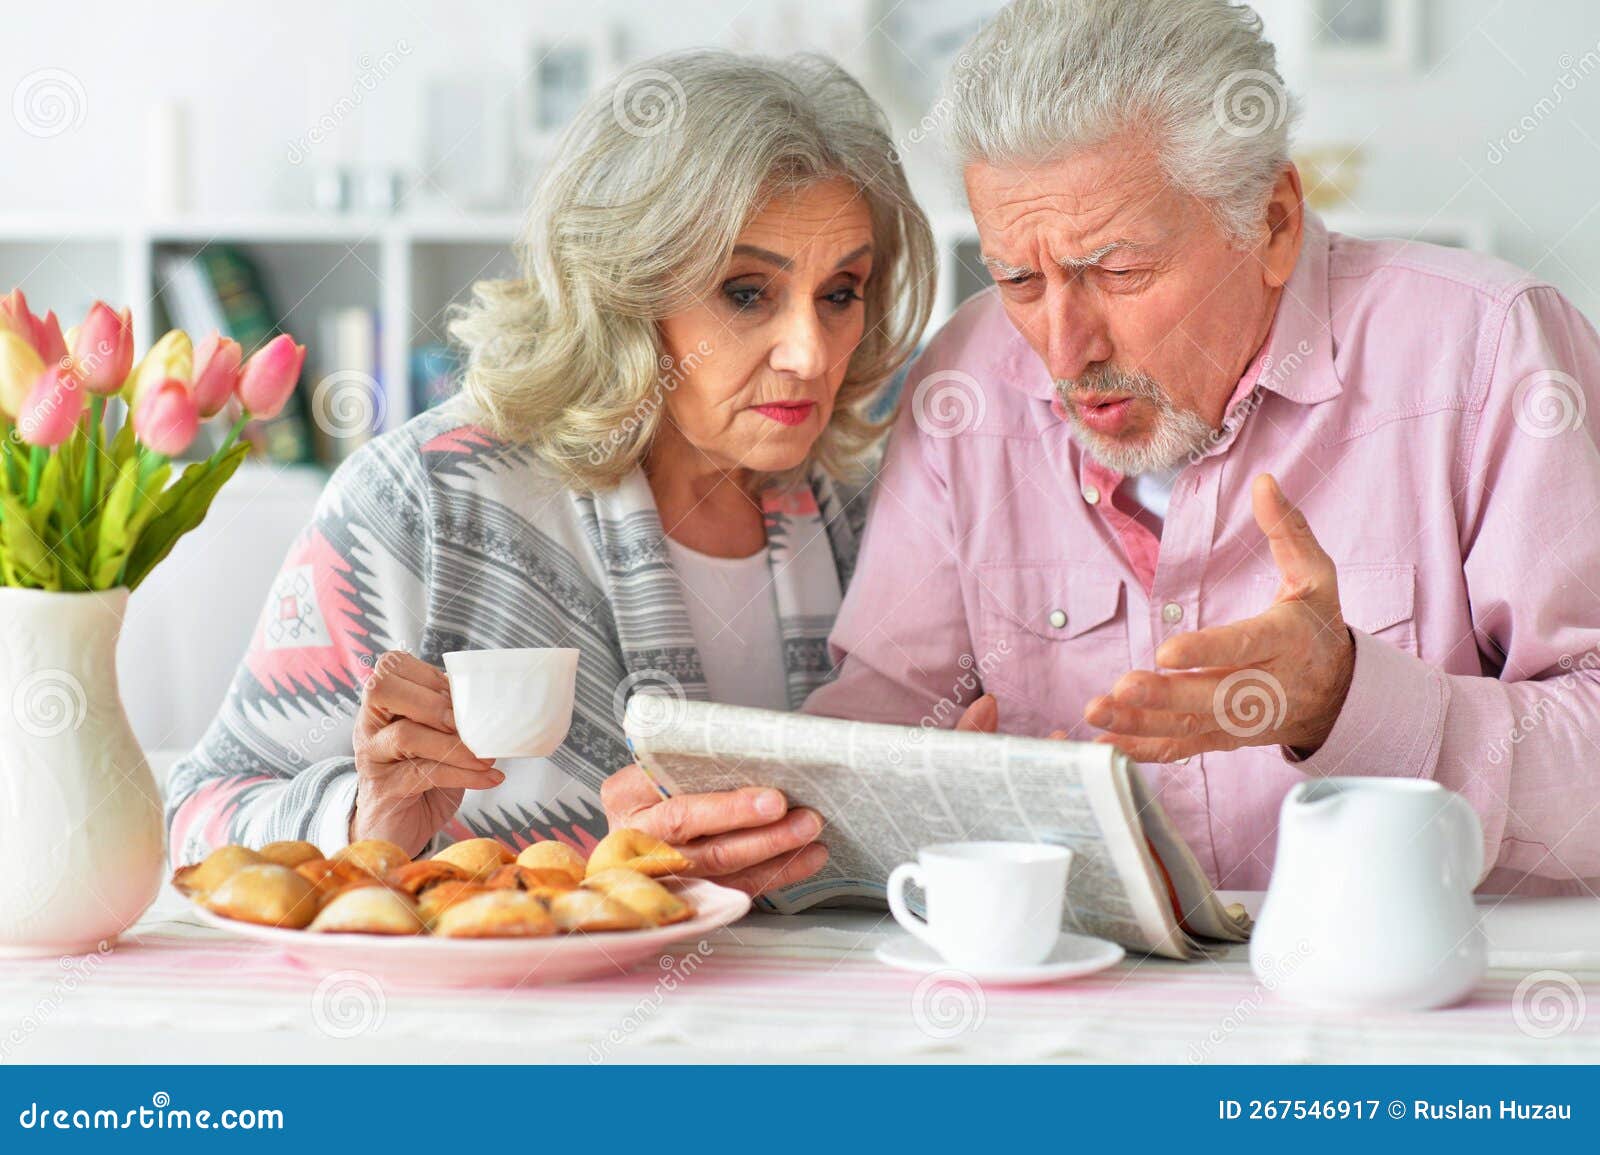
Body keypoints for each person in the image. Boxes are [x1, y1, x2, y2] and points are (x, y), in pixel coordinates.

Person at [806, 0, 1600, 896]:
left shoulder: (1493, 350)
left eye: (1118, 271)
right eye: (1020, 280)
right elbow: (879, 723)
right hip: (1074, 1006)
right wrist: (773, 808)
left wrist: (1349, 700)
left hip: (1426, 1007)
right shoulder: (965, 383)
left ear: (1271, 223)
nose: (1063, 353)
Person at [166, 50, 935, 897]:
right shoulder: (423, 504)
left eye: (841, 291)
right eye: (747, 292)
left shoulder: (867, 505)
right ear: (625, 290)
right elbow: (197, 821)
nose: (811, 353)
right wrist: (363, 820)